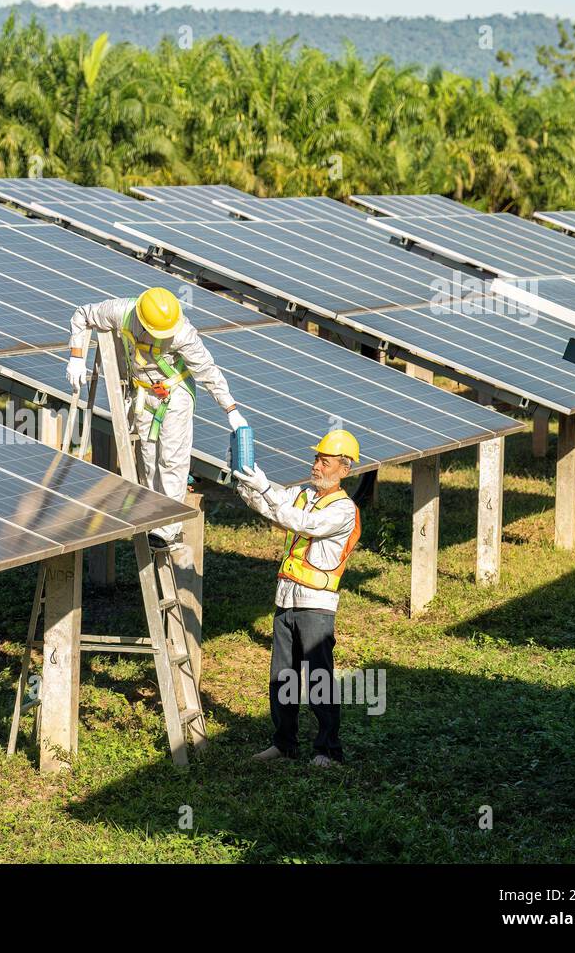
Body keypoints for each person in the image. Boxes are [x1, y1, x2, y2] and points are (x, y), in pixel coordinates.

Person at [66, 286, 246, 546]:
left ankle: (170, 526)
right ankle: (155, 515)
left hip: (175, 393)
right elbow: (82, 315)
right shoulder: (122, 312)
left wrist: (231, 409)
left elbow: (207, 370)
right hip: (143, 394)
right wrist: (76, 357)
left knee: (171, 458)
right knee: (149, 457)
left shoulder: (182, 331)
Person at [232, 430, 362, 766]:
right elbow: (276, 504)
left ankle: (327, 750)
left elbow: (304, 524)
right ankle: (284, 744)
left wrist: (263, 489)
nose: (316, 465)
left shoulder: (343, 509)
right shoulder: (304, 493)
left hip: (316, 604)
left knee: (318, 677)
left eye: (325, 461)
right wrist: (247, 485)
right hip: (287, 599)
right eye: (317, 458)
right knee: (283, 677)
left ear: (343, 470)